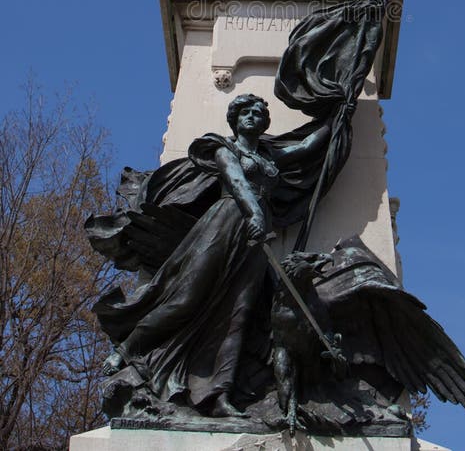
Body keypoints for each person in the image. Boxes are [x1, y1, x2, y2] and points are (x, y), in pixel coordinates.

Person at [92, 95, 330, 417]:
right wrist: (253, 213)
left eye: (258, 113)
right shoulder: (223, 149)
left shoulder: (268, 155)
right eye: (246, 112)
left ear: (265, 123)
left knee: (240, 314)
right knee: (185, 297)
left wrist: (340, 114)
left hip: (257, 235)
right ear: (235, 119)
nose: (252, 116)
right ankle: (126, 350)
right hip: (226, 221)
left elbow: (304, 147)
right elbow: (236, 181)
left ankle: (220, 395)